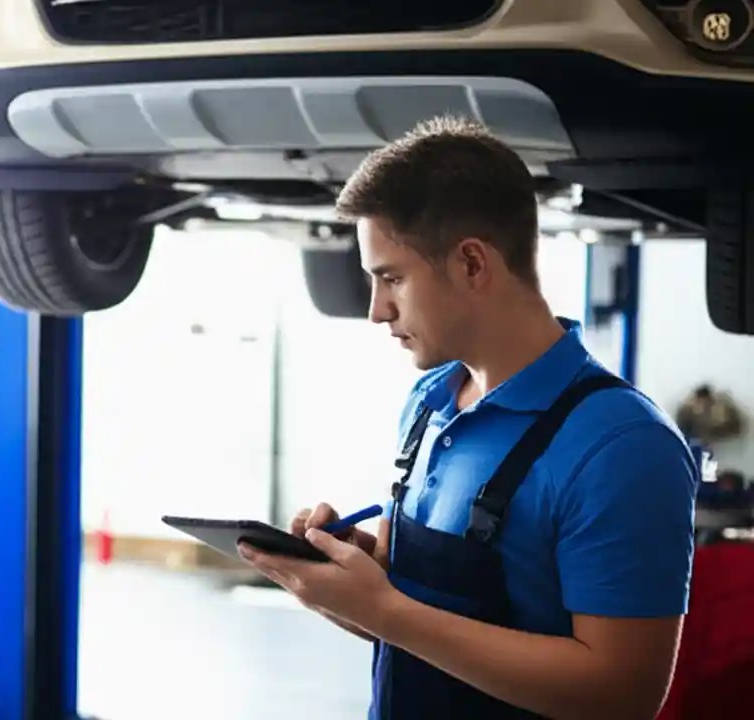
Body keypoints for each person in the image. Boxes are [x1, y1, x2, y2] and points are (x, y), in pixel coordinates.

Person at [238, 116, 698, 720]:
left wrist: (384, 610)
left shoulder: (623, 446)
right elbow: (423, 629)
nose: (377, 310)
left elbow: (621, 694)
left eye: (391, 278)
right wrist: (347, 583)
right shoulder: (429, 404)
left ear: (472, 265)